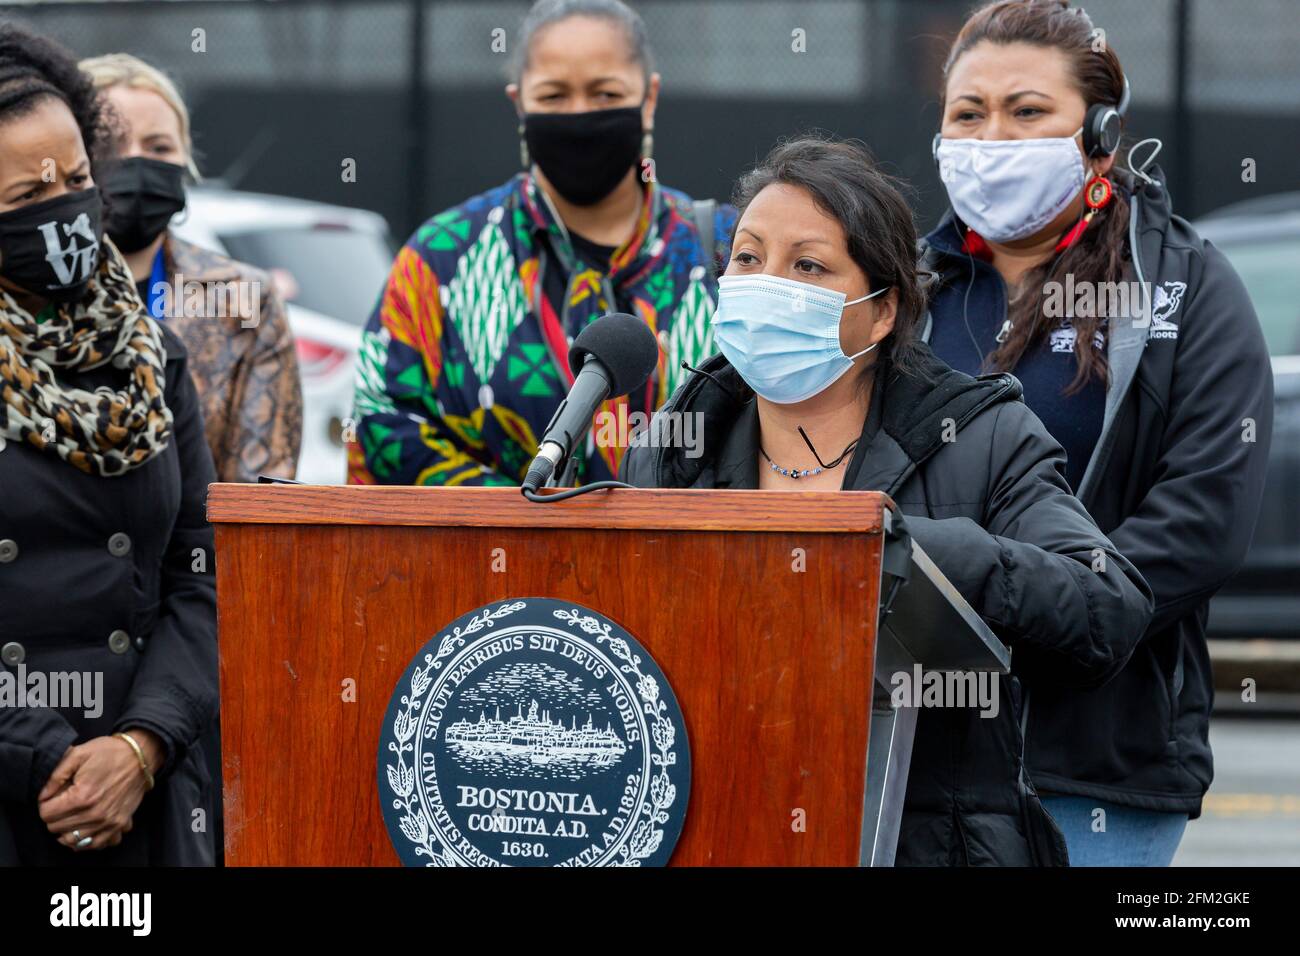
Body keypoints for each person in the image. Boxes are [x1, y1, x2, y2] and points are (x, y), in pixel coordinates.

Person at [621, 135, 1154, 866]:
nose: (765, 282)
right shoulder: (678, 445)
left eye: (807, 265)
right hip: (718, 833)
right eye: (747, 258)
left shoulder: (981, 437)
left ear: (881, 313)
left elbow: (1109, 605)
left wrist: (919, 554)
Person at [922, 0, 1272, 865]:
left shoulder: (1185, 285)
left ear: (1100, 132)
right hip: (917, 752)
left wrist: (1050, 613)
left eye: (1027, 110)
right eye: (969, 113)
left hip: (1095, 766)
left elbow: (1205, 514)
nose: (992, 136)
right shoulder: (906, 288)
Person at [348, 0, 736, 486]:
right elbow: (382, 419)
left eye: (605, 93)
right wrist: (526, 530)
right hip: (492, 561)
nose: (579, 114)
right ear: (519, 103)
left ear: (649, 98)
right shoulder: (442, 256)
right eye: (553, 96)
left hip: (696, 559)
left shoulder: (733, 252)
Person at [0, 23, 217, 865]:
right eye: (26, 198)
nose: (62, 209)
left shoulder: (149, 355)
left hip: (142, 797)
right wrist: (48, 759)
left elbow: (201, 570)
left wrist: (141, 746)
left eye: (76, 179)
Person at [81, 53, 303, 483]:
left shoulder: (243, 299)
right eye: (110, 145)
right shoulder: (28, 294)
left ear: (185, 161)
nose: (136, 161)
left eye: (159, 147)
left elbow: (262, 489)